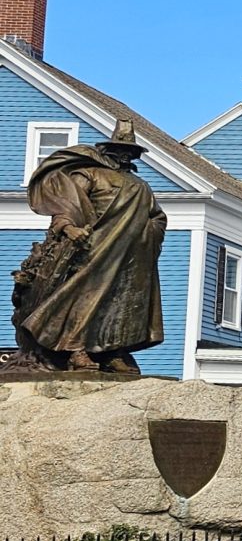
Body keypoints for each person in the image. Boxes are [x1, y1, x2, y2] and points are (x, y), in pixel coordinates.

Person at [7, 119, 167, 373]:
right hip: (95, 250)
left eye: (130, 151)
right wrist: (69, 228)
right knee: (83, 299)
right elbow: (66, 205)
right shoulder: (89, 175)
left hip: (132, 256)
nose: (124, 156)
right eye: (118, 150)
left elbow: (156, 217)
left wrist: (147, 235)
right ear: (106, 151)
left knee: (122, 303)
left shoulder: (141, 186)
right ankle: (75, 348)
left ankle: (112, 351)